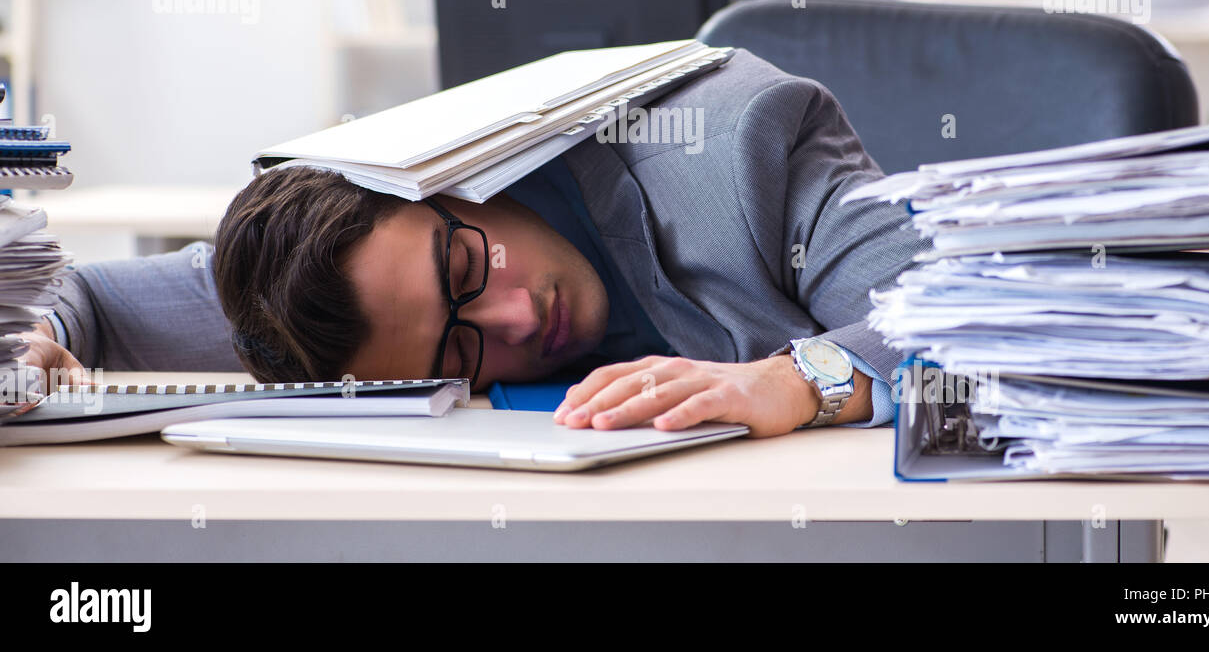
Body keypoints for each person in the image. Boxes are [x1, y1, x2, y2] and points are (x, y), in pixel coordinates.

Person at [18, 50, 931, 438]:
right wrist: (37, 341)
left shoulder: (744, 142)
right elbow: (90, 304)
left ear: (441, 179)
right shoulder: (342, 302)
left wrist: (794, 380)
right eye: (461, 349)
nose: (515, 317)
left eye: (466, 264)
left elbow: (944, 307)